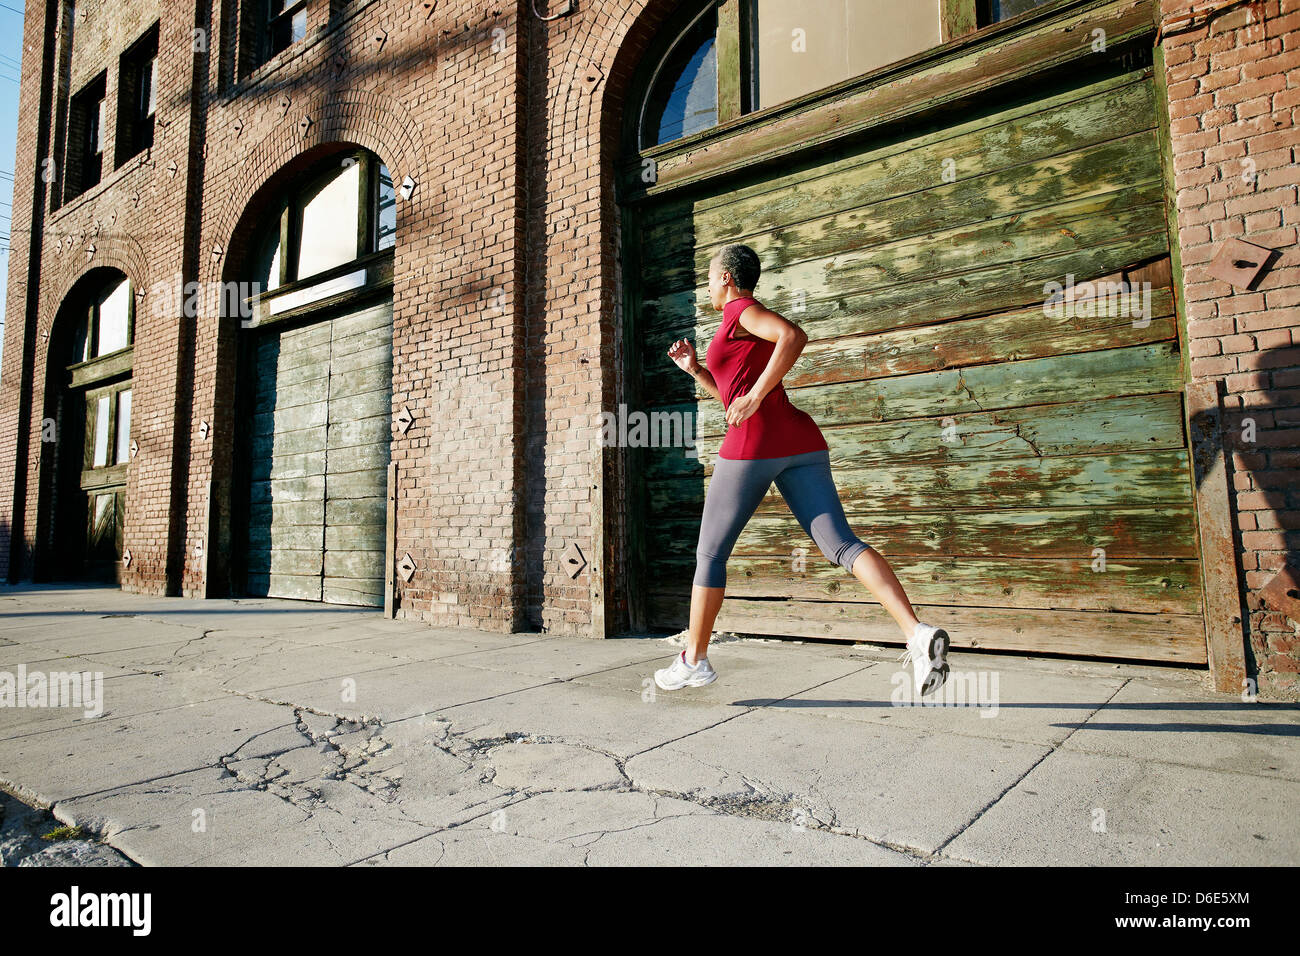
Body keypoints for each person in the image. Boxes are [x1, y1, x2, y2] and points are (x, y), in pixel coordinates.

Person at [654, 243, 951, 697]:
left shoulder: (741, 312)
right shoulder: (736, 324)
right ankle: (916, 634)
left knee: (710, 555)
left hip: (754, 444)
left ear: (729, 279)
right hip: (799, 441)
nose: (707, 285)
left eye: (711, 276)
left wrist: (754, 397)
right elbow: (734, 399)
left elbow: (793, 336)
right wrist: (695, 369)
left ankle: (693, 660)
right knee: (842, 545)